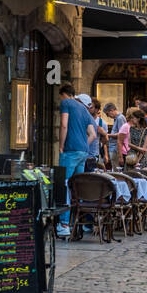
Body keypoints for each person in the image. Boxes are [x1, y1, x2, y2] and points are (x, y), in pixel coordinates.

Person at [57, 84, 97, 236]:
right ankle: (75, 223)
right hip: (83, 152)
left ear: (64, 94)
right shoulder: (84, 110)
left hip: (71, 151)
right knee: (76, 187)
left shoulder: (66, 103)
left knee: (65, 185)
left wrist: (61, 146)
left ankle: (64, 224)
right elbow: (92, 134)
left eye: (60, 96)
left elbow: (64, 125)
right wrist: (82, 146)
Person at [98, 103, 125, 169]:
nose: (107, 116)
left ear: (112, 110)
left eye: (107, 114)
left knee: (117, 170)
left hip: (116, 148)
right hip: (113, 148)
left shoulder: (120, 118)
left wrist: (107, 135)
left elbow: (121, 134)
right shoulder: (117, 119)